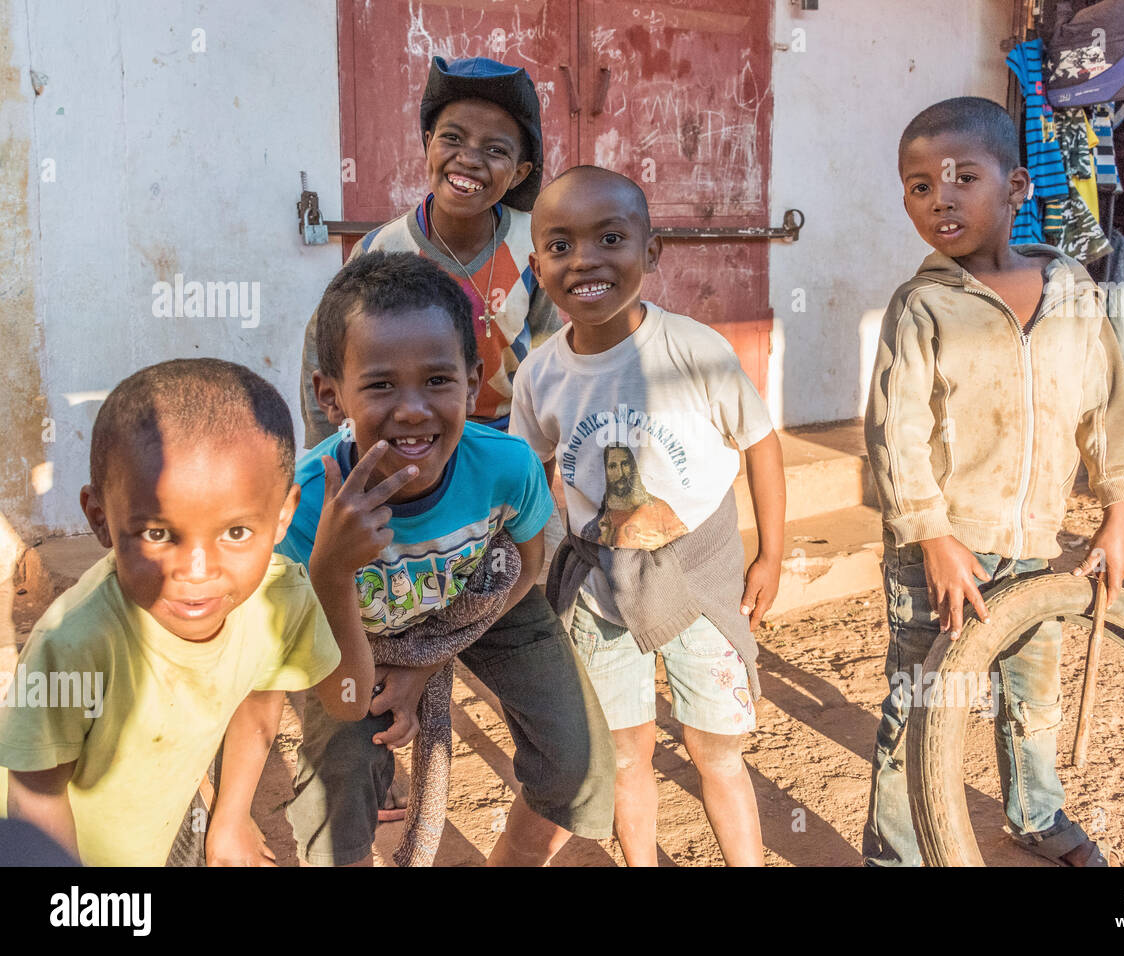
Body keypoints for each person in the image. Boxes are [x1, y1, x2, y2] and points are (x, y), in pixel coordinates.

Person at [863, 97, 1124, 867]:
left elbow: (1106, 413)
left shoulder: (1073, 296)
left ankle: (1035, 813)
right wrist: (932, 534)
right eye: (919, 186)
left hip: (1034, 544)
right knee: (925, 707)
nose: (941, 198)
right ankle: (896, 853)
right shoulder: (923, 306)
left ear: (1019, 184)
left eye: (963, 175)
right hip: (942, 553)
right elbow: (896, 436)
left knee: (1034, 693)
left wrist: (1118, 513)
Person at [283, 249, 614, 866]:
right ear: (332, 397)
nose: (413, 408)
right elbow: (324, 675)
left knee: (579, 764)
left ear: (471, 381)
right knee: (341, 783)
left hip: (478, 602)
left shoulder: (507, 467)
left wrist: (429, 660)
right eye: (380, 384)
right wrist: (333, 565)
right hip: (351, 626)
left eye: (438, 380)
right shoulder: (305, 507)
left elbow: (524, 566)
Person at [510, 166, 787, 866]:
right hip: (600, 590)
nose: (586, 260)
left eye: (610, 237)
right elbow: (526, 478)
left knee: (715, 750)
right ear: (536, 263)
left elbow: (760, 442)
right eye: (561, 245)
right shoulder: (539, 374)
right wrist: (528, 570)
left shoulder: (693, 351)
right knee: (627, 754)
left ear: (651, 250)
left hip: (698, 579)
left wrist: (771, 554)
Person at [0, 359, 375, 866]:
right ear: (99, 519)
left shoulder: (275, 599)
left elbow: (295, 699)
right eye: (158, 534)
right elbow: (35, 797)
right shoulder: (73, 644)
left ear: (284, 514)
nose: (197, 571)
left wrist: (230, 817)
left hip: (168, 826)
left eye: (236, 532)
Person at [299, 54, 558, 442]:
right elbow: (324, 347)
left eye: (495, 150)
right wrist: (328, 452)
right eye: (452, 138)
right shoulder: (382, 250)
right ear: (428, 144)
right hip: (411, 439)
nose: (468, 159)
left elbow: (550, 358)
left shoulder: (534, 244)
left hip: (505, 442)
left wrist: (537, 456)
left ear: (520, 172)